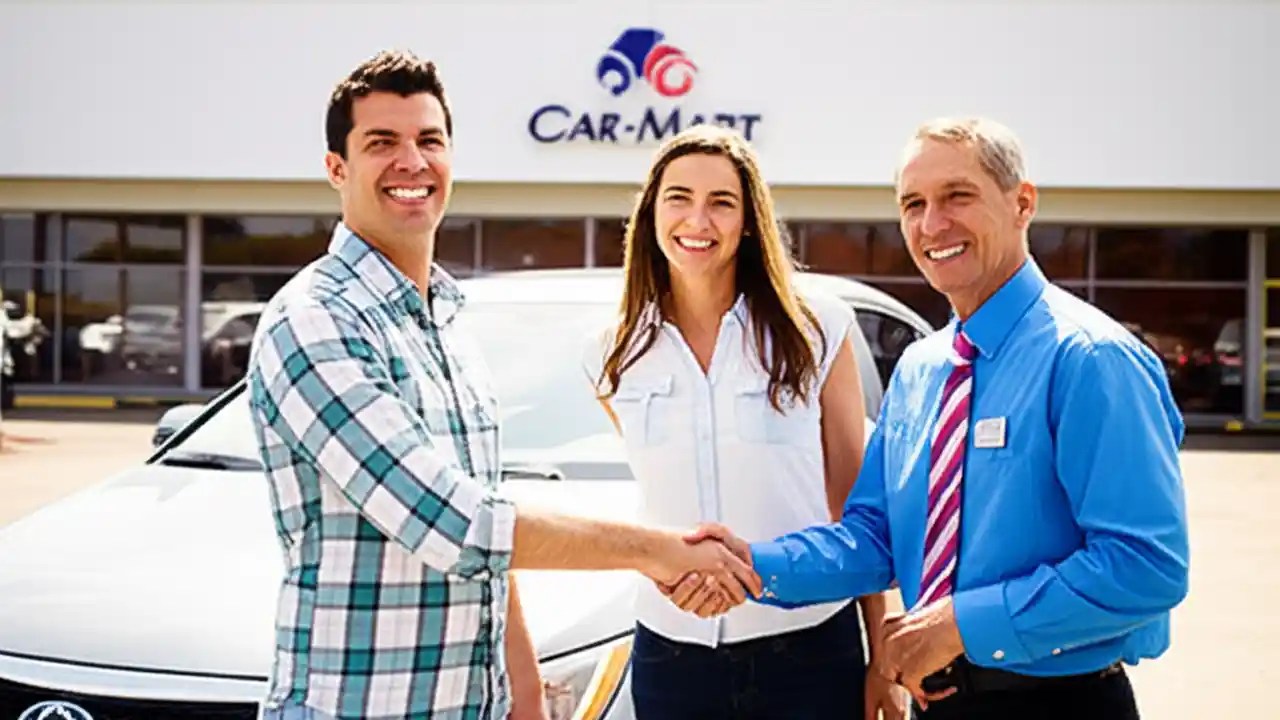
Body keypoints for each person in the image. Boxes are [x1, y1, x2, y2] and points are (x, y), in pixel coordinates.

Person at [245, 50, 761, 720]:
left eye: (430, 140)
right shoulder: (315, 319)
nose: (412, 162)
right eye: (382, 143)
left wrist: (525, 699)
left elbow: (492, 535)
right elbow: (458, 523)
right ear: (336, 169)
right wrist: (655, 550)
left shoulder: (448, 320)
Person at [681, 117, 1191, 719]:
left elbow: (1147, 567)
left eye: (957, 197)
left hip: (1059, 703)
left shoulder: (1090, 360)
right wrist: (747, 565)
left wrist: (959, 625)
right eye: (913, 204)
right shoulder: (922, 369)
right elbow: (875, 539)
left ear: (1022, 202)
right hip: (939, 701)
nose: (931, 225)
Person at [584, 124, 907, 720]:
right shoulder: (611, 353)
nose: (697, 221)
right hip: (671, 657)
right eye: (678, 198)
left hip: (810, 651)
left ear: (750, 220)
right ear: (651, 213)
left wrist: (883, 653)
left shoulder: (818, 329)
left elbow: (858, 507)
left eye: (721, 203)